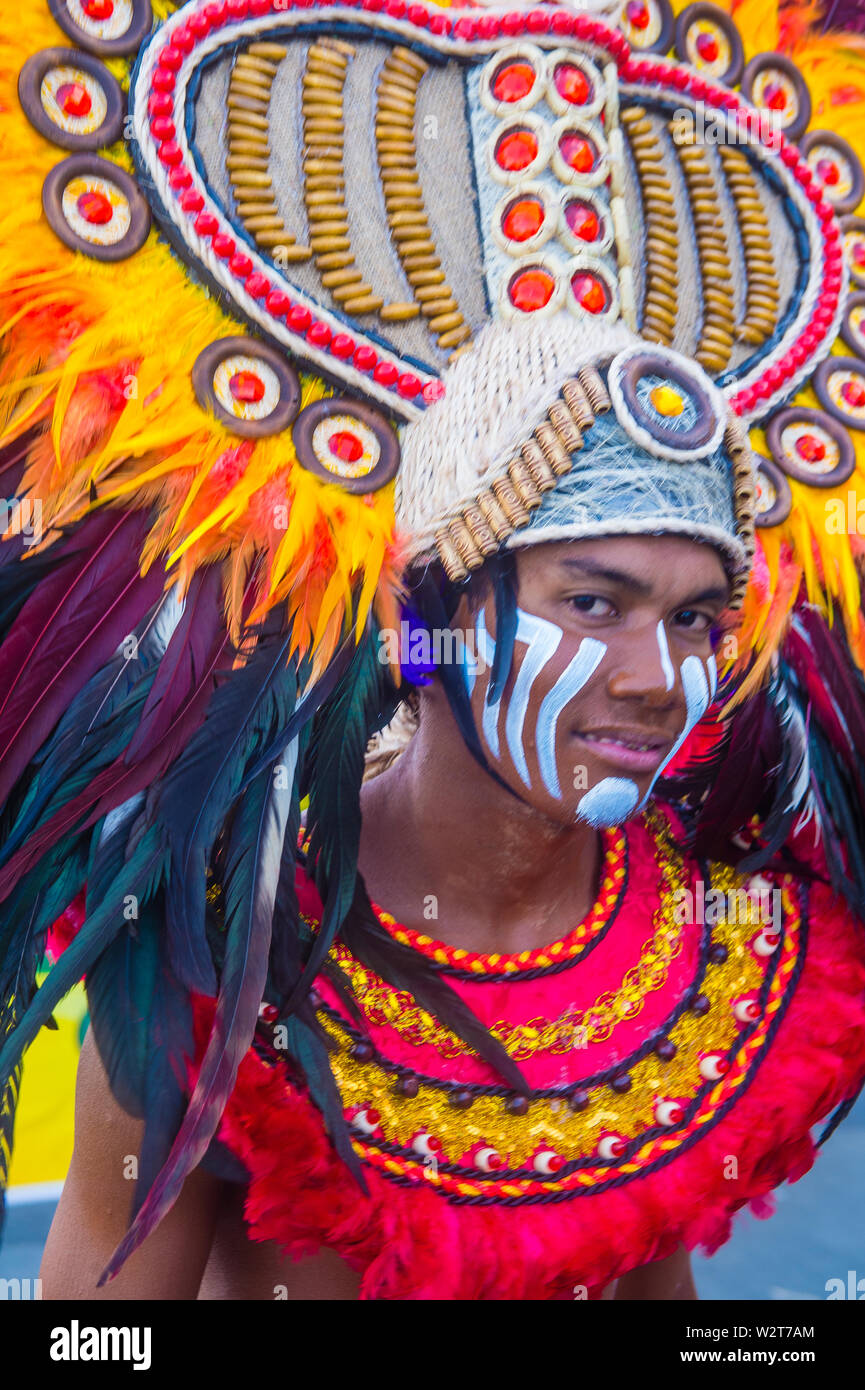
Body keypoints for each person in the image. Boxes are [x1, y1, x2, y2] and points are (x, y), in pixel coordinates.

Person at [3, 0, 865, 1301]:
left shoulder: (703, 947)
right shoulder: (217, 951)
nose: (655, 675)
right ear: (429, 616)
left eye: (696, 617)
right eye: (593, 601)